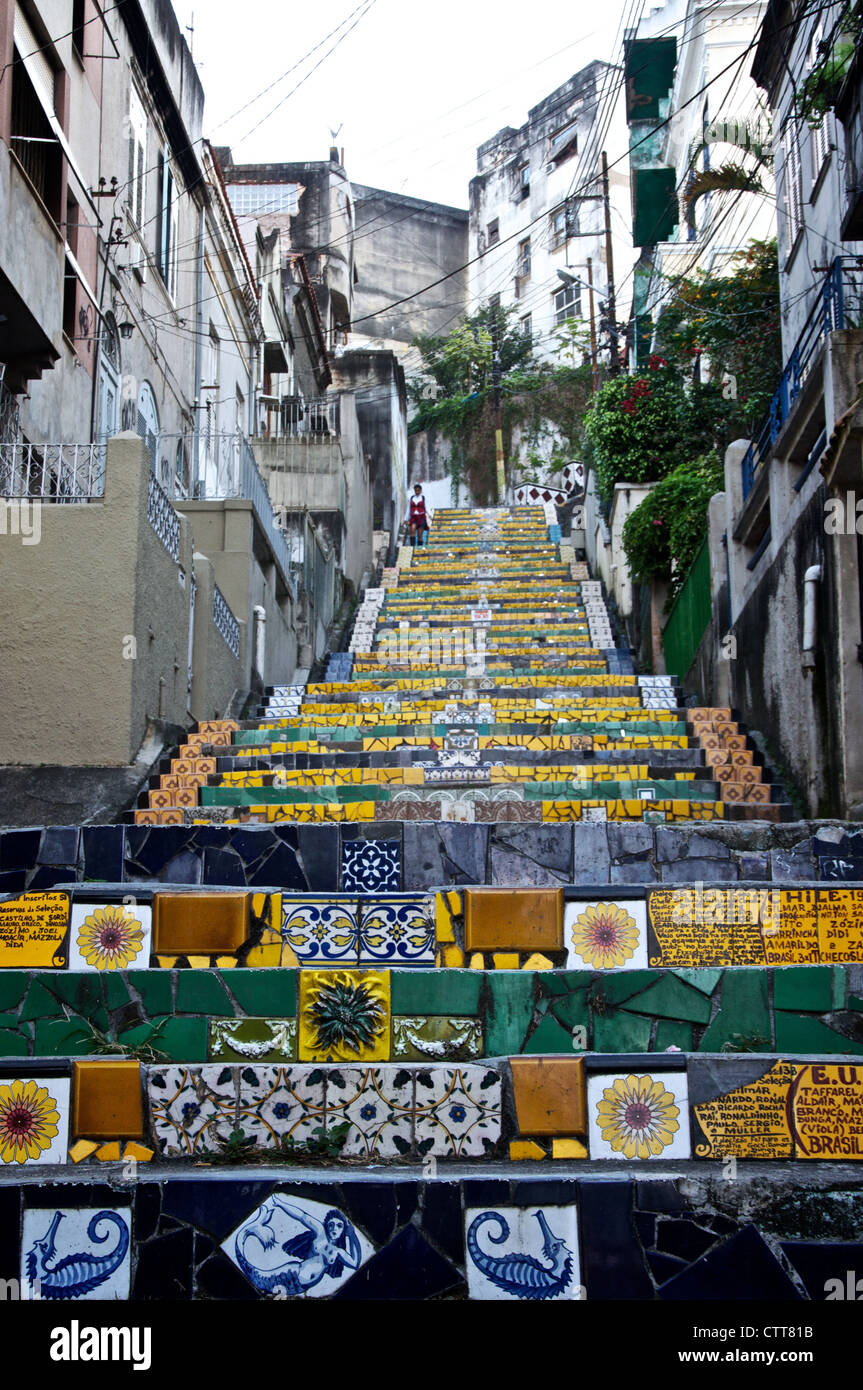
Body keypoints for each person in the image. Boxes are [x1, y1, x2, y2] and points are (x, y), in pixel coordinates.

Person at [406, 482, 433, 547]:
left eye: (418, 490)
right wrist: (405, 519)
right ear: (414, 490)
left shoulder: (423, 498)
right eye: (416, 490)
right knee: (412, 530)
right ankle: (412, 547)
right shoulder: (412, 498)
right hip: (413, 517)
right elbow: (408, 509)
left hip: (421, 518)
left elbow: (427, 508)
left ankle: (419, 549)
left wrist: (430, 515)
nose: (417, 492)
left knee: (420, 535)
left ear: (420, 490)